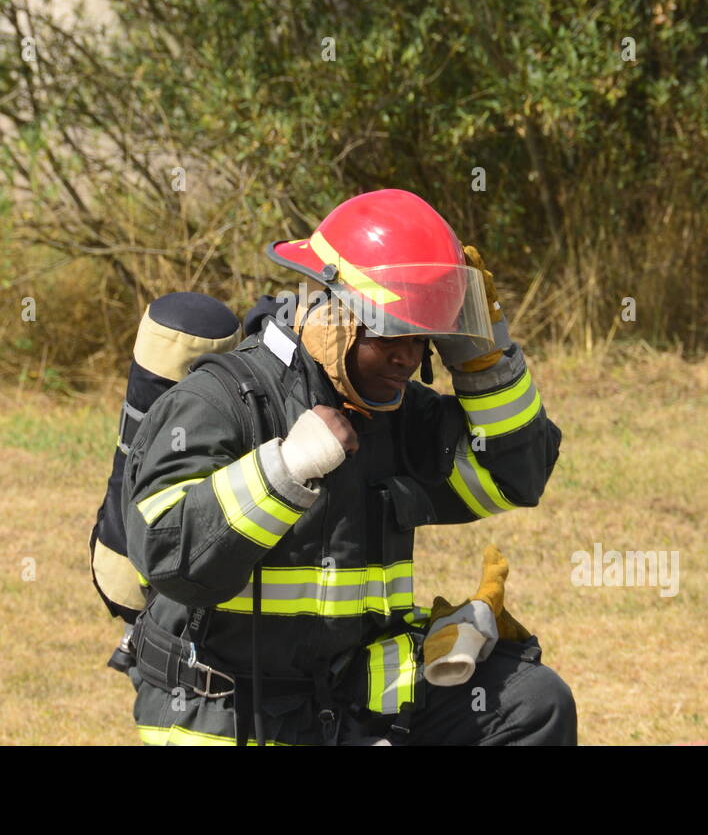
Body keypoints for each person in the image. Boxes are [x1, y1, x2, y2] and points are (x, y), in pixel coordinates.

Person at [120, 188, 575, 745]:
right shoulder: (220, 401)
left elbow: (512, 477)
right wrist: (282, 474)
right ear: (332, 313)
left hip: (344, 707)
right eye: (390, 335)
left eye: (421, 337)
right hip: (232, 716)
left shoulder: (395, 410)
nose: (408, 359)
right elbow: (166, 555)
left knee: (532, 705)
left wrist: (486, 364)